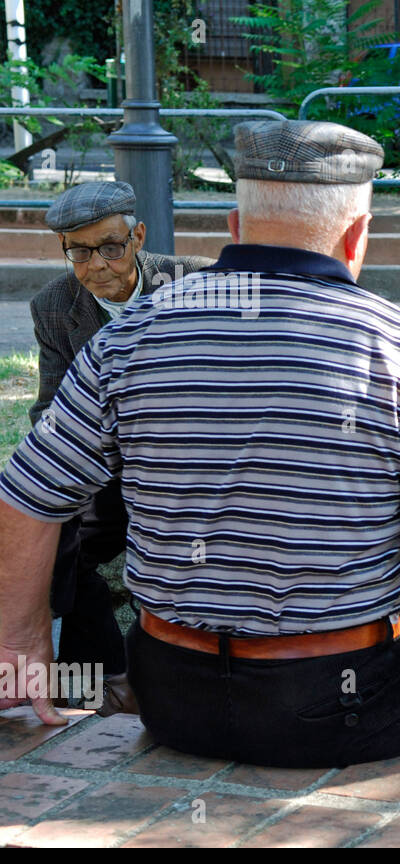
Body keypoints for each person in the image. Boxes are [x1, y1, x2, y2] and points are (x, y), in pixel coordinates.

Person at [0, 120, 400, 766]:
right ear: (356, 236)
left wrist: (22, 647)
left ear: (235, 226)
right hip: (339, 701)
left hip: (173, 695)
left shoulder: (127, 337)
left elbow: (25, 495)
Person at [30, 181, 210, 714]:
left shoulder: (196, 281)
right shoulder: (55, 307)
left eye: (110, 246)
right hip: (109, 473)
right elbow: (51, 408)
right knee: (57, 540)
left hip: (194, 474)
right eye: (79, 251)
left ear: (138, 236)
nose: (98, 264)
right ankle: (106, 678)